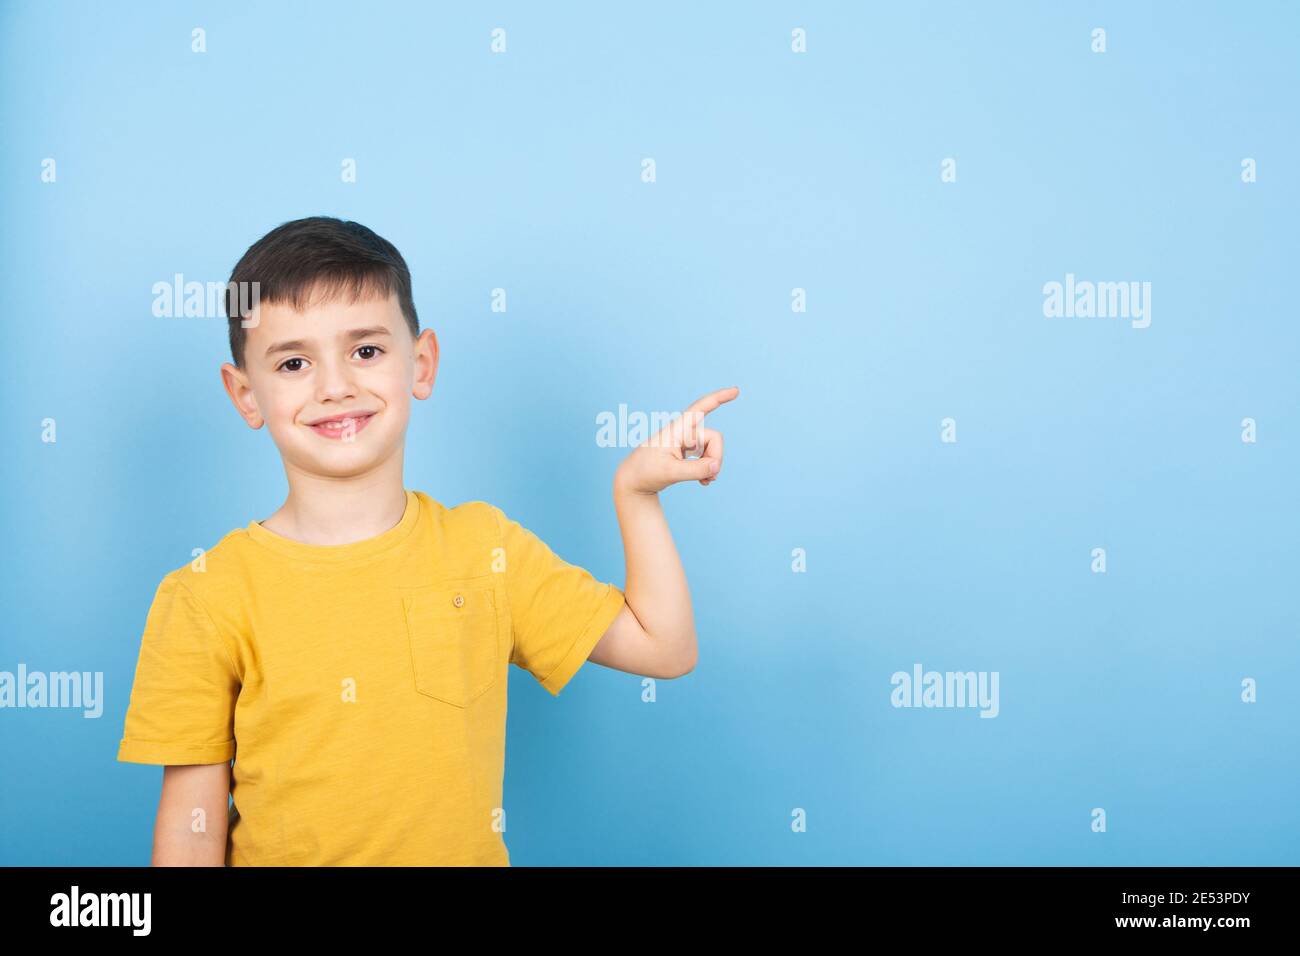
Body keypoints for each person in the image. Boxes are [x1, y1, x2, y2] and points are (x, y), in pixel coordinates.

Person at [116, 216, 737, 865]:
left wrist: (636, 496)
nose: (336, 386)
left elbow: (665, 647)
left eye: (365, 351)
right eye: (294, 362)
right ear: (246, 394)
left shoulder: (485, 551)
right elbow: (191, 831)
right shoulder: (204, 596)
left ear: (423, 362)